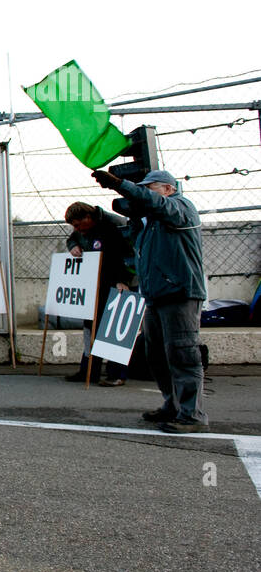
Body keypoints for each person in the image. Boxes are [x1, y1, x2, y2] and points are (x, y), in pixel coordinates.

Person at [93, 168, 207, 432]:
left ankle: (193, 415)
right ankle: (172, 405)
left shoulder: (181, 208)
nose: (144, 193)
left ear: (169, 189)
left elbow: (156, 204)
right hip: (155, 295)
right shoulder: (148, 223)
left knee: (182, 353)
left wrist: (122, 185)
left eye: (150, 187)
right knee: (156, 355)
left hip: (180, 293)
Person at [63, 201, 135, 385]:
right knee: (91, 326)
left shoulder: (115, 225)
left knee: (115, 327)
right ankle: (88, 371)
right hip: (96, 282)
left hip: (119, 281)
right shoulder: (85, 230)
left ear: (88, 218)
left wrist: (123, 280)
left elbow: (130, 254)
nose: (77, 229)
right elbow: (72, 238)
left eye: (78, 225)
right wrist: (72, 246)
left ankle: (117, 374)